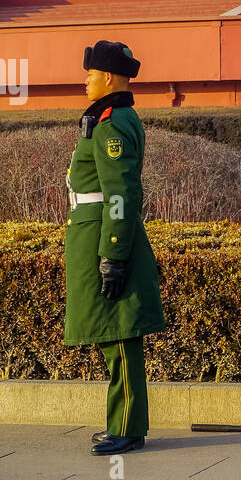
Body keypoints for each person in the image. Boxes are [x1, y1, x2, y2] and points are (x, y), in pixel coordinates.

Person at [64, 40, 165, 455]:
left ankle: (126, 427)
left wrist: (113, 254)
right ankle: (124, 423)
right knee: (113, 334)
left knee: (119, 335)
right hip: (94, 233)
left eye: (90, 74)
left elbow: (120, 193)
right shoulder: (111, 117)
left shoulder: (110, 123)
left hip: (103, 237)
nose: (85, 81)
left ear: (107, 77)